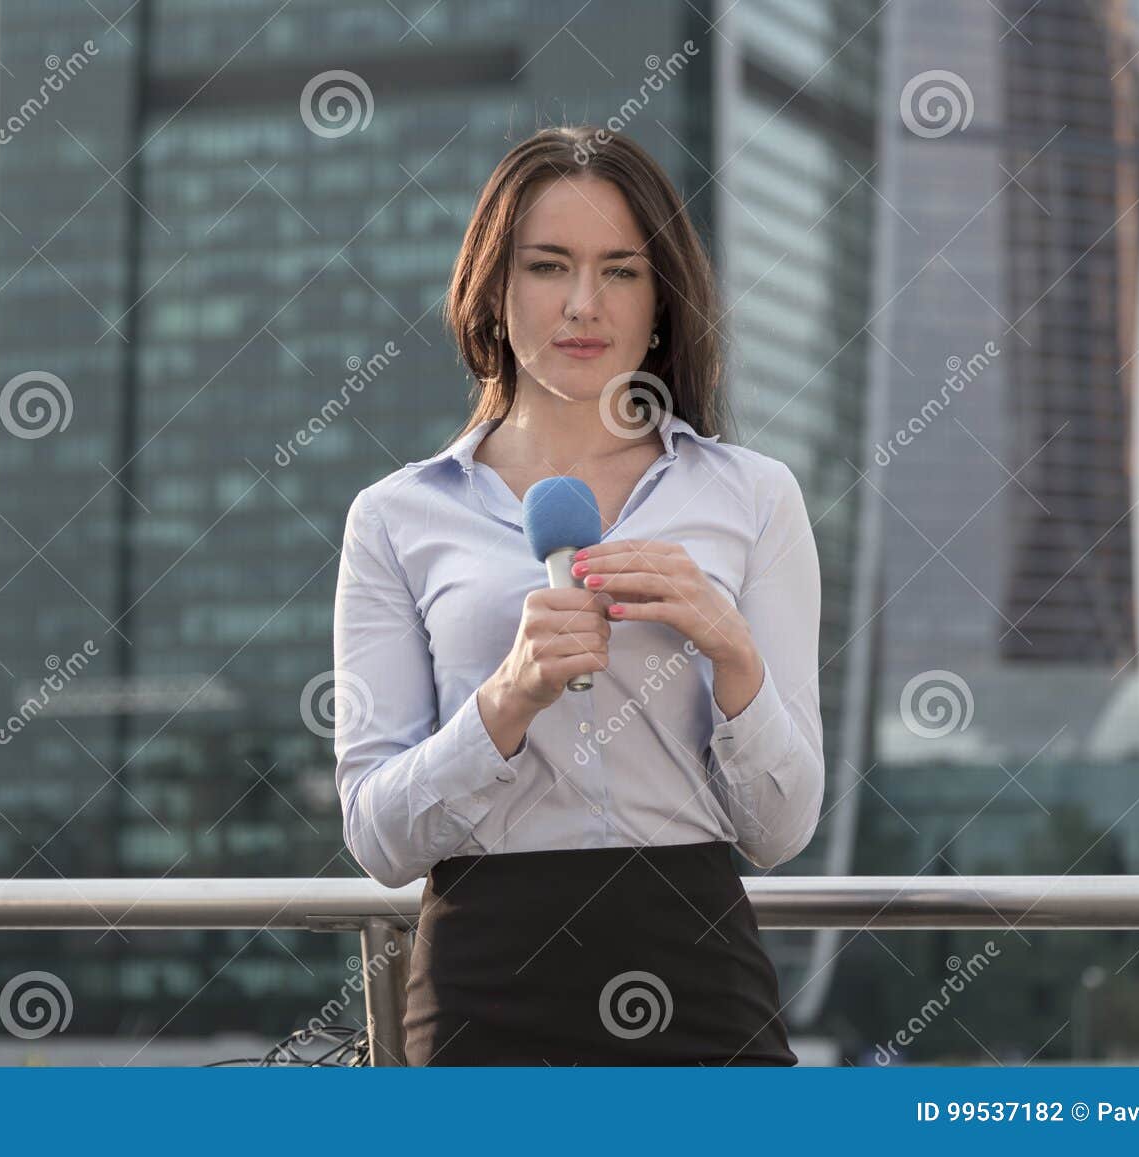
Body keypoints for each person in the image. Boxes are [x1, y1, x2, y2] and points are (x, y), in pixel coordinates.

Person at [332, 125, 823, 1066]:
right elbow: (378, 838)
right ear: (495, 288)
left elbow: (782, 828)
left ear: (663, 299)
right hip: (486, 989)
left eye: (622, 271)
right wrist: (506, 699)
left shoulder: (754, 496)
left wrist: (735, 658)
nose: (584, 304)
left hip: (700, 980)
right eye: (550, 266)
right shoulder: (395, 516)